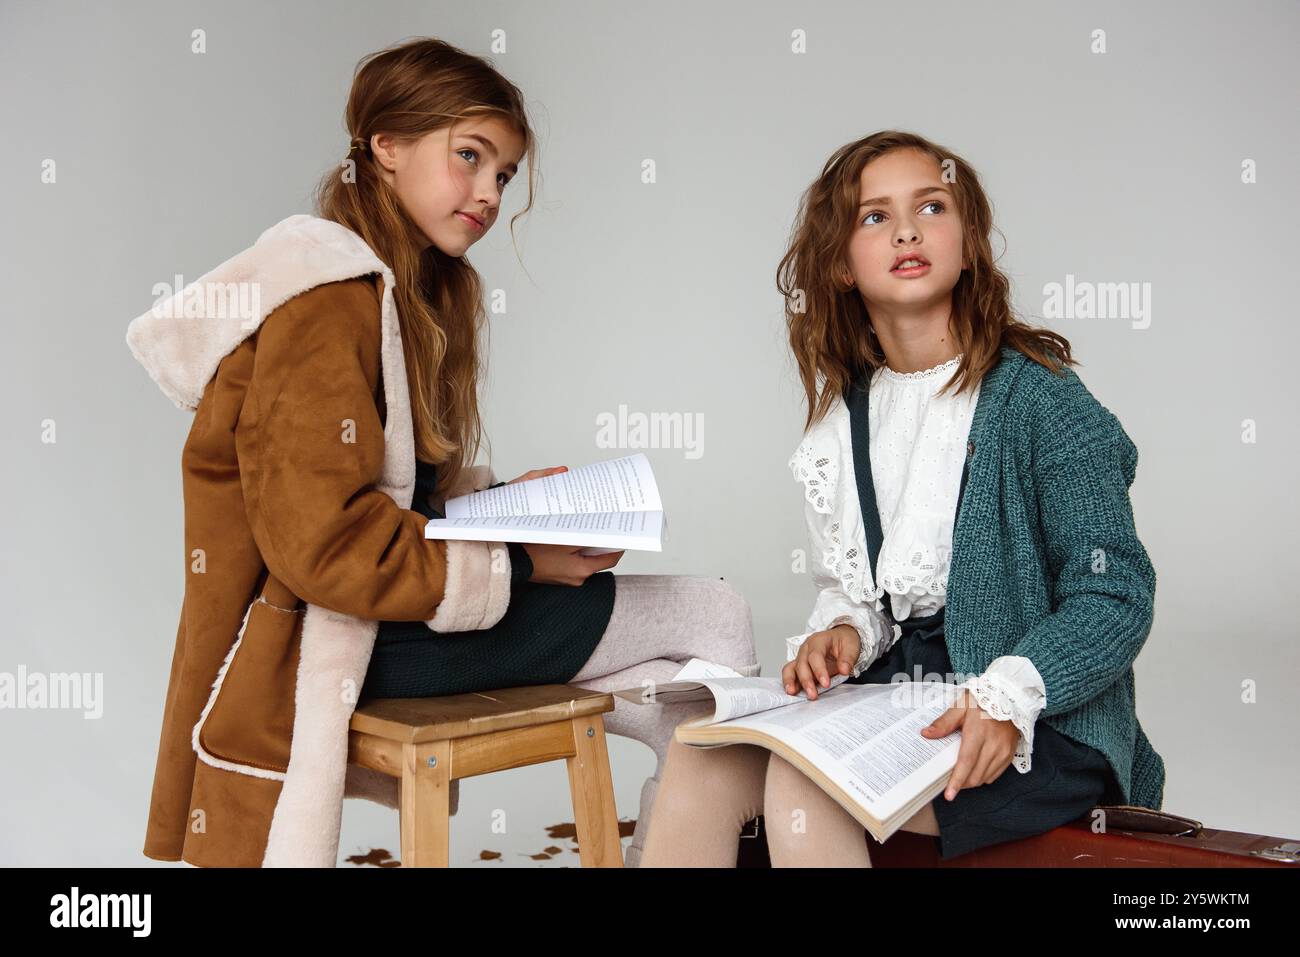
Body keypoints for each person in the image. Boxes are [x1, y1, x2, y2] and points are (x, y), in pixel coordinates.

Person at [129, 36, 755, 868]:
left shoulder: (399, 292)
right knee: (712, 614)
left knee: (681, 689)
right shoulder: (325, 302)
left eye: (503, 174)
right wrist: (521, 560)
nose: (490, 192)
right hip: (325, 647)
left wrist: (503, 506)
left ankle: (684, 849)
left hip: (380, 624)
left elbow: (390, 498)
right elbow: (325, 547)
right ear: (385, 146)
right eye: (470, 156)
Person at [640, 131, 1165, 866]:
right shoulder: (848, 417)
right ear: (841, 264)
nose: (908, 229)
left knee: (804, 785)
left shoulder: (1044, 399)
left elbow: (1115, 597)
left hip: (1039, 716)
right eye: (874, 216)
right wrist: (848, 634)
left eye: (931, 205)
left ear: (969, 244)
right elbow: (872, 595)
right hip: (902, 697)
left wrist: (1005, 699)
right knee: (699, 756)